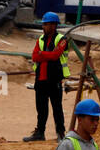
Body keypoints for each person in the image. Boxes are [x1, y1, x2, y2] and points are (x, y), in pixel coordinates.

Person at [24, 12, 69, 142]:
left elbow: (55, 55)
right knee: (41, 108)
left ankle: (60, 133)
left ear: (53, 25)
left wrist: (42, 54)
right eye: (43, 24)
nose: (43, 26)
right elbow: (34, 56)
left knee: (57, 107)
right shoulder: (40, 40)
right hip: (41, 79)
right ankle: (40, 133)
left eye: (46, 24)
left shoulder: (62, 39)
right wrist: (44, 54)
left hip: (54, 78)